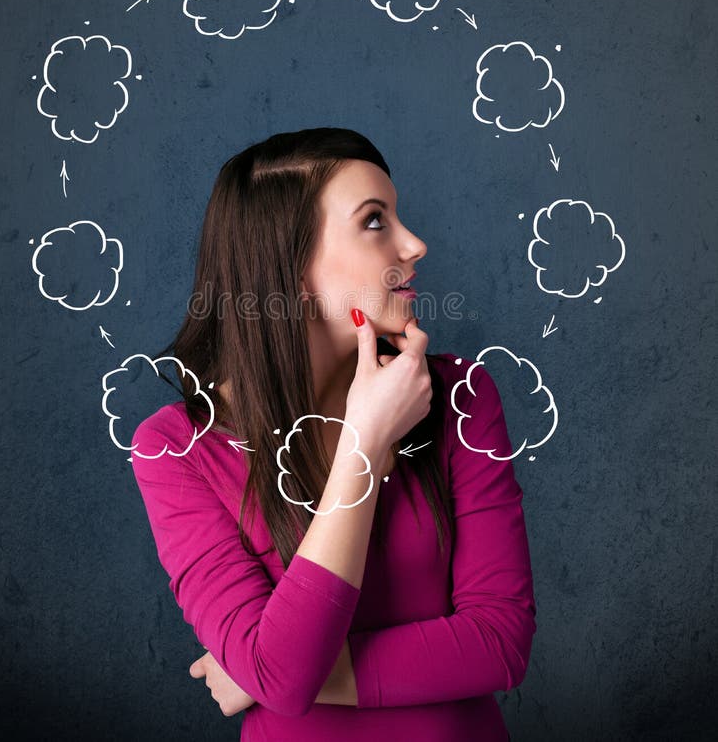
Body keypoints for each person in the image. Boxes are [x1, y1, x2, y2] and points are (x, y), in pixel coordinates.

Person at [130, 127, 536, 741]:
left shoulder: (460, 396)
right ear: (288, 267)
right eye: (376, 222)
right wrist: (365, 445)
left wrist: (272, 672)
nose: (415, 244)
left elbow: (500, 642)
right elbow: (283, 677)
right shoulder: (177, 450)